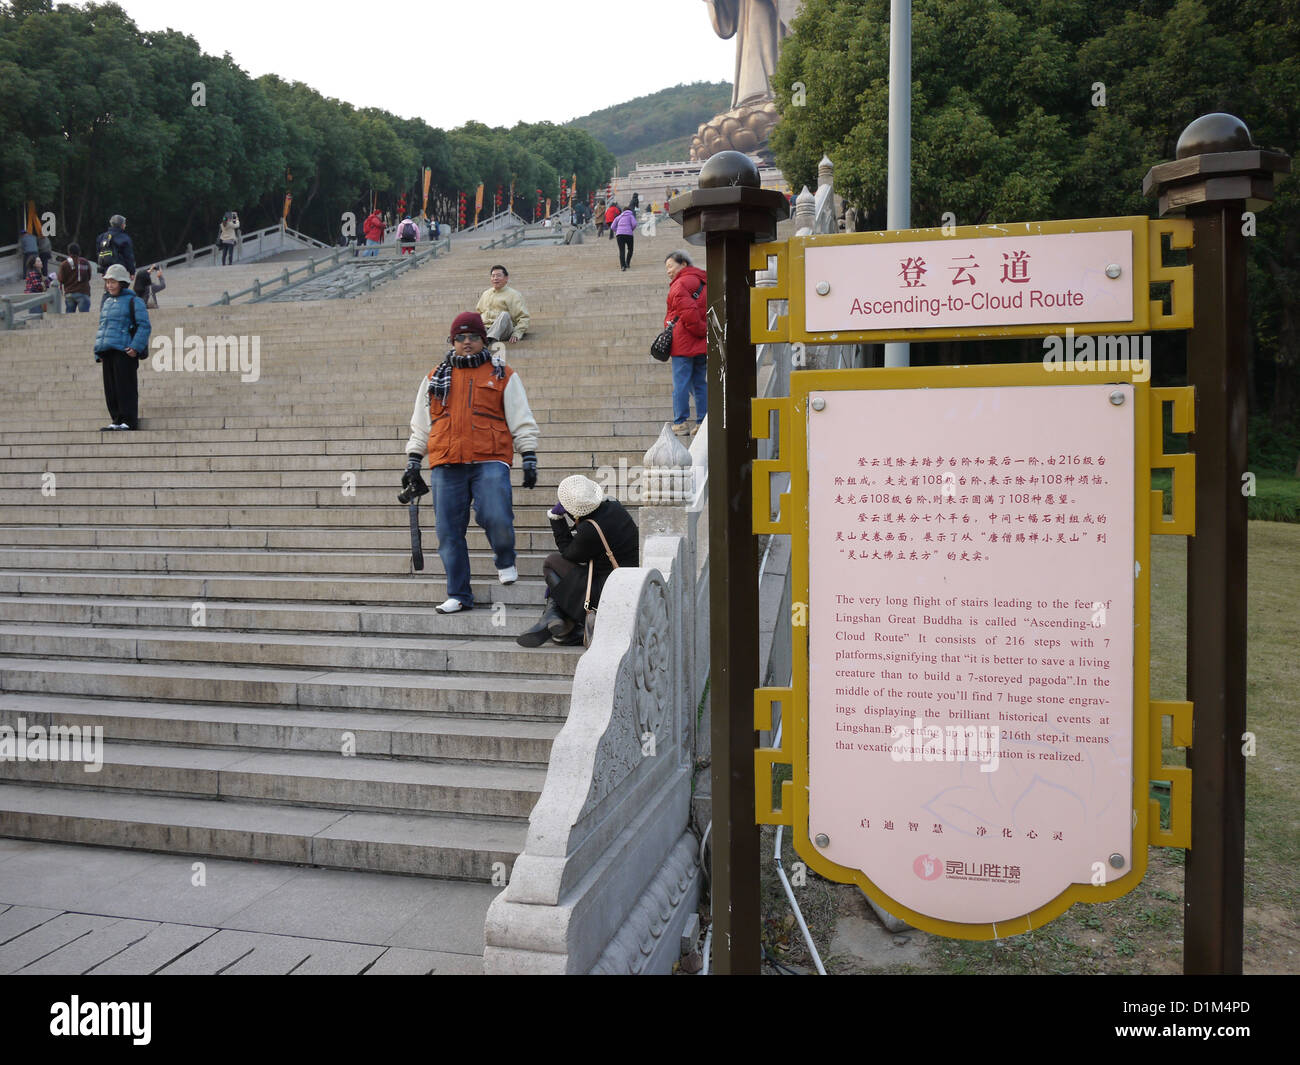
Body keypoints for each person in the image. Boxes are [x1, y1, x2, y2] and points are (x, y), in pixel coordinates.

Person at [402, 311, 540, 614]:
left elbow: (521, 416)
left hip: (490, 457)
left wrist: (528, 453)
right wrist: (414, 460)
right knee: (449, 531)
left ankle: (505, 558)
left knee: (496, 515)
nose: (466, 342)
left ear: (484, 340)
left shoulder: (503, 374)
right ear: (453, 341)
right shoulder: (434, 377)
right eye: (460, 337)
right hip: (446, 460)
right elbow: (422, 424)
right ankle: (459, 594)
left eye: (473, 337)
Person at [517, 474, 639, 647]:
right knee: (564, 575)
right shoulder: (614, 507)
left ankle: (555, 617)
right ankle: (558, 622)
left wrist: (556, 519)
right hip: (623, 580)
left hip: (608, 590)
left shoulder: (590, 530)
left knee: (551, 563)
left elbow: (568, 554)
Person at [94, 263, 151, 431]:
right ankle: (116, 420)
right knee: (110, 389)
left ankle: (129, 420)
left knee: (125, 387)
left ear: (122, 283)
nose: (109, 285)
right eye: (108, 282)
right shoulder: (107, 302)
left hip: (125, 351)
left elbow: (144, 326)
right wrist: (98, 350)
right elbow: (102, 327)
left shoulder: (135, 301)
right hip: (108, 351)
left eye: (113, 282)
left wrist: (135, 347)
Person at [663, 250, 709, 436]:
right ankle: (702, 421)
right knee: (699, 382)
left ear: (683, 264)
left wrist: (698, 329)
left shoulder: (680, 283)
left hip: (683, 341)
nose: (668, 271)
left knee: (681, 383)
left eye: (670, 266)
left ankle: (681, 422)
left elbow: (688, 312)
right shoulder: (705, 281)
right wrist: (703, 331)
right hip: (701, 341)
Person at [475, 265, 530, 344]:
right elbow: (478, 312)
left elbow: (524, 317)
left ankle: (489, 339)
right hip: (485, 328)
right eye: (493, 276)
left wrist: (517, 333)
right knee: (470, 317)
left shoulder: (514, 295)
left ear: (506, 278)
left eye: (498, 275)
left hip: (503, 331)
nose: (495, 278)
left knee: (505, 314)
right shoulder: (486, 293)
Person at [59, 243, 94, 312]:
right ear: (79, 251)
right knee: (84, 316)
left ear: (69, 252)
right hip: (83, 292)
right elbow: (89, 276)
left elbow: (61, 279)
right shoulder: (85, 262)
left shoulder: (64, 264)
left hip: (69, 293)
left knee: (69, 316)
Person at [612, 204, 638, 270]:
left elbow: (612, 227)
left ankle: (623, 266)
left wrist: (617, 231)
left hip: (619, 235)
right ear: (629, 211)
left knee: (622, 251)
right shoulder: (630, 215)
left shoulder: (619, 217)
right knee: (630, 249)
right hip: (629, 234)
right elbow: (634, 224)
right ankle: (627, 263)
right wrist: (631, 229)